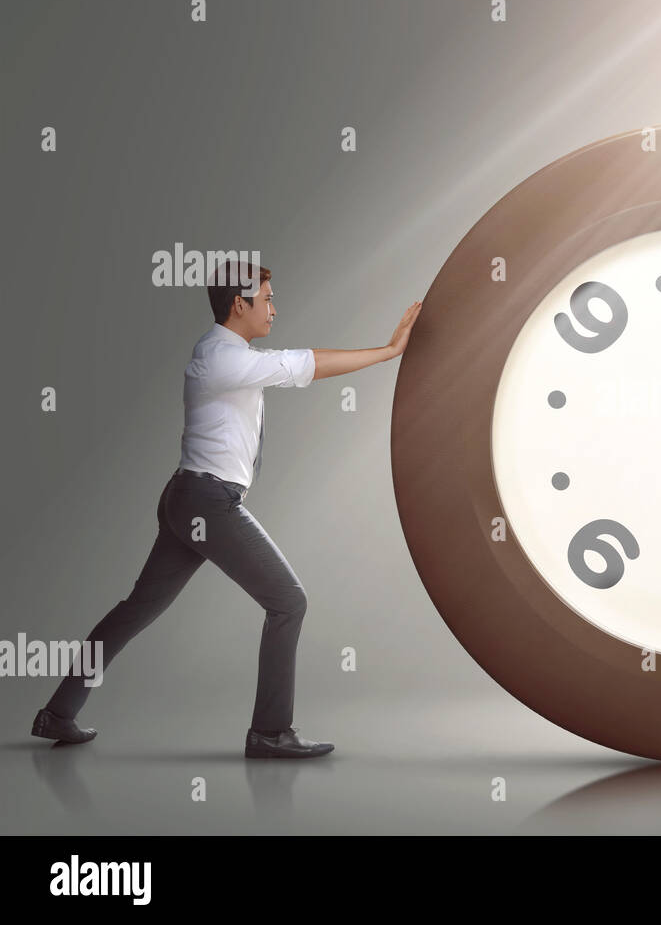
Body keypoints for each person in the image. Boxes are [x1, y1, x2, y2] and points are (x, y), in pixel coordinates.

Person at [31, 260, 422, 758]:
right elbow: (308, 364)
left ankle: (57, 713)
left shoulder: (224, 353)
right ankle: (270, 732)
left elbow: (295, 362)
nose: (275, 307)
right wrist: (389, 352)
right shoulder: (223, 358)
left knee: (137, 608)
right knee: (288, 601)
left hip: (188, 498)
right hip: (207, 502)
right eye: (268, 298)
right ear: (240, 303)